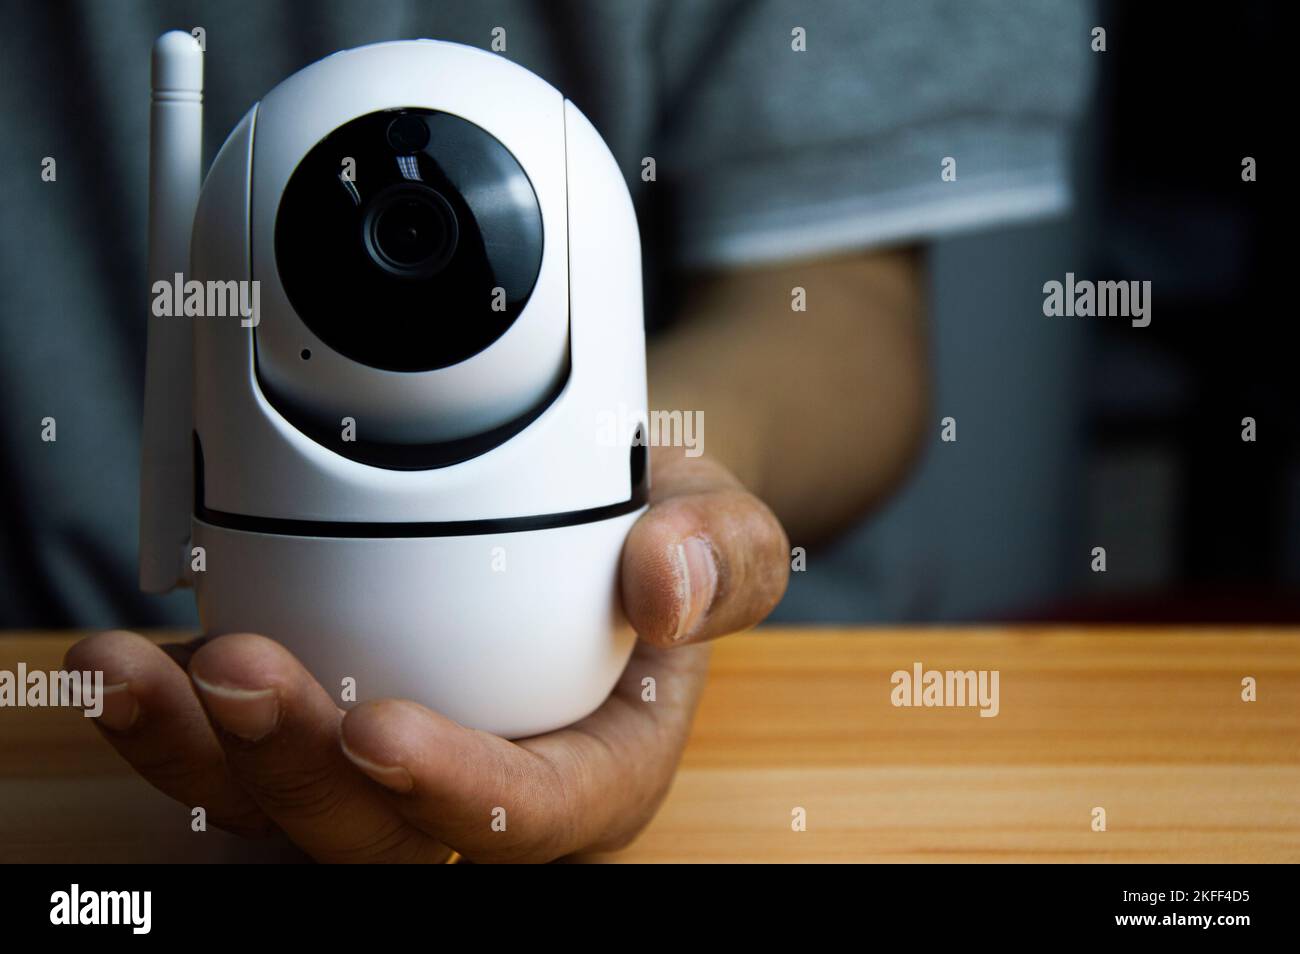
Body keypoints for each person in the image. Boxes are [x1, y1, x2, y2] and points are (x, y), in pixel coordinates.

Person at [0, 1, 1087, 860]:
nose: (406, 233)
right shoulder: (241, 183)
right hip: (81, 732)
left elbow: (837, 308)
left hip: (738, 749)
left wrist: (676, 486)